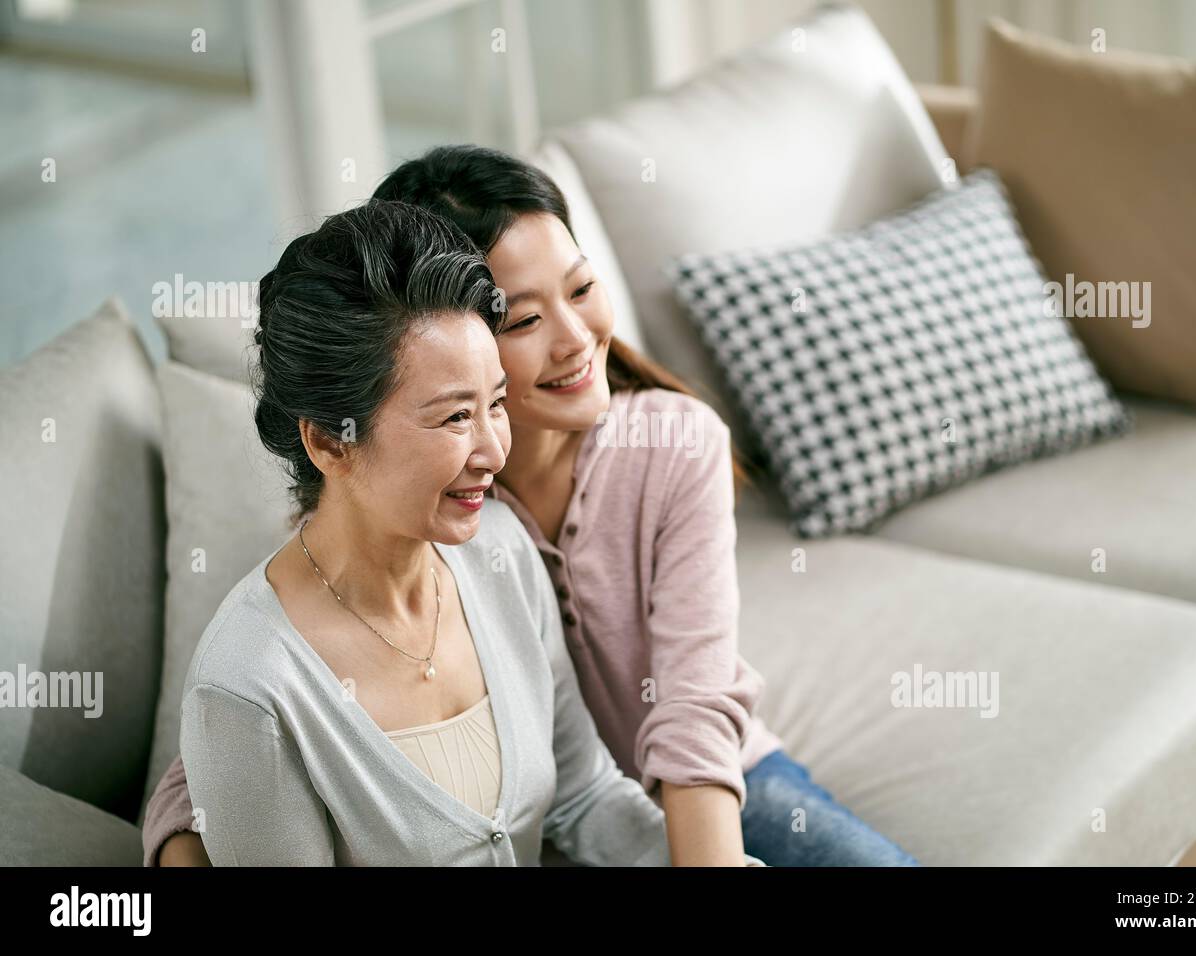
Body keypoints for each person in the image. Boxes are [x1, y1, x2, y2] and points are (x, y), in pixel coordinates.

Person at [147, 145, 918, 867]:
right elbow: (238, 727)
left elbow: (675, 723)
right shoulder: (416, 508)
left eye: (581, 288)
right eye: (523, 320)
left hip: (697, 782)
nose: (577, 339)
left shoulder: (513, 525)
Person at [174, 198, 672, 865]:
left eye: (495, 403)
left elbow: (584, 796)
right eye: (453, 419)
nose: (496, 450)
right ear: (329, 441)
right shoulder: (250, 686)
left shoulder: (502, 552)